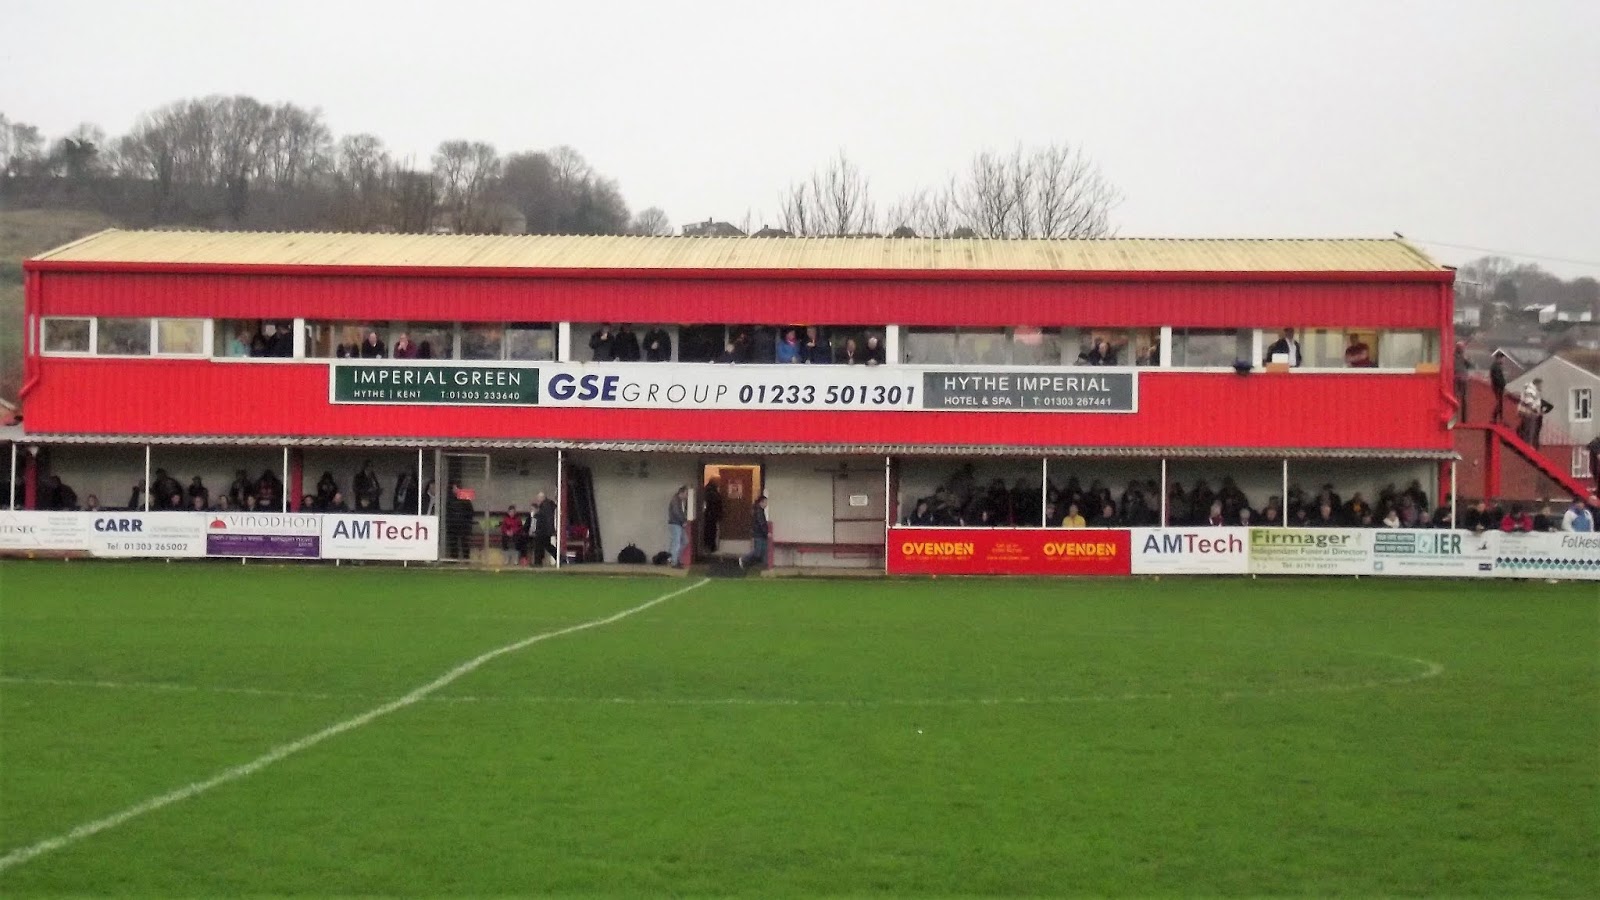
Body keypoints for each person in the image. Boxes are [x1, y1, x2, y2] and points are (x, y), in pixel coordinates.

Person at [739, 495, 770, 570]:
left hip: (759, 534)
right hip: (759, 534)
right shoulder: (759, 511)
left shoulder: (758, 510)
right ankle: (744, 559)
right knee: (758, 552)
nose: (766, 504)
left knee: (763, 551)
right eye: (765, 502)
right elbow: (761, 523)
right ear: (761, 502)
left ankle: (763, 565)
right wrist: (766, 532)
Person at [529, 491, 559, 566]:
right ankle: (559, 557)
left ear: (542, 498)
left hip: (543, 530)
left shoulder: (545, 506)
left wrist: (535, 516)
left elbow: (544, 518)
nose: (538, 500)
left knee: (538, 545)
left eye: (538, 498)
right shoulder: (547, 505)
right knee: (547, 545)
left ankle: (538, 562)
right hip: (546, 530)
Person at [667, 485, 689, 568]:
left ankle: (675, 559)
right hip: (675, 523)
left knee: (684, 541)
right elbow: (676, 512)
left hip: (677, 523)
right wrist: (683, 521)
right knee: (677, 542)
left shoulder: (678, 500)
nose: (687, 496)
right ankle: (674, 561)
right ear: (681, 493)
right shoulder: (676, 501)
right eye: (686, 494)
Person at [1517, 378, 1543, 445]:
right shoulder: (1530, 391)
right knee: (1529, 429)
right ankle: (1528, 445)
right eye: (1540, 385)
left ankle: (1528, 444)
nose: (1541, 386)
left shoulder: (1533, 390)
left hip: (1529, 412)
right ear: (1537, 384)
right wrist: (1536, 410)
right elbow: (1529, 402)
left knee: (1529, 429)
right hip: (1528, 413)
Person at [701, 477, 723, 552]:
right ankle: (710, 547)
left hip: (709, 515)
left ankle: (709, 547)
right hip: (711, 516)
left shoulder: (707, 490)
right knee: (711, 531)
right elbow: (715, 503)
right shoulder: (712, 492)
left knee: (710, 531)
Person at [1453, 342, 1471, 421]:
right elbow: (1469, 365)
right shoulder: (1459, 357)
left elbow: (1469, 365)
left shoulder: (1454, 357)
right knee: (1461, 398)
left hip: (1459, 378)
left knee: (1458, 399)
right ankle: (1462, 419)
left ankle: (1459, 418)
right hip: (1460, 378)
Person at [1489, 351, 1509, 423]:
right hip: (1498, 387)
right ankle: (1495, 418)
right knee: (1499, 403)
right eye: (1503, 359)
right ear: (1499, 358)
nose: (1503, 360)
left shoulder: (1496, 366)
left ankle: (1499, 418)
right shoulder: (1496, 366)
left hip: (1498, 387)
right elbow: (1498, 378)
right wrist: (1503, 385)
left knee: (1500, 403)